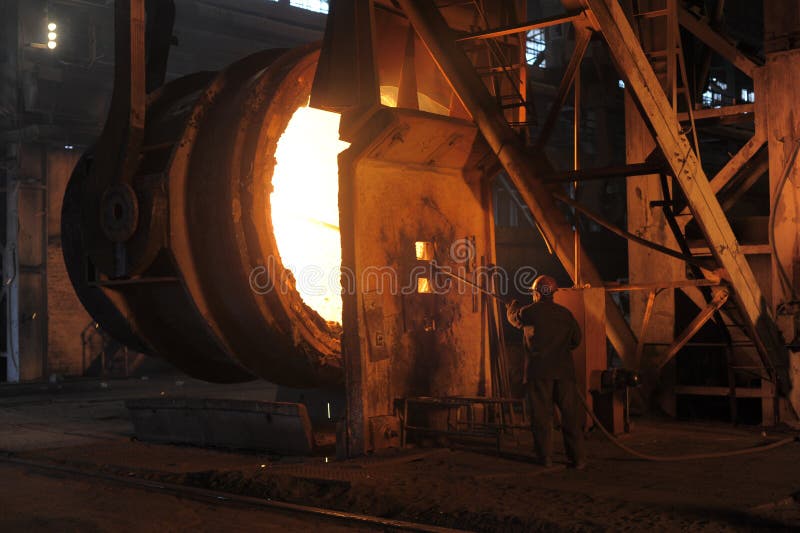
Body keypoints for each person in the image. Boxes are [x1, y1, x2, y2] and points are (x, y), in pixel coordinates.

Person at [506, 274, 586, 469]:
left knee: (542, 417)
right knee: (570, 417)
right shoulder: (565, 314)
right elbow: (576, 339)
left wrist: (511, 305)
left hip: (539, 373)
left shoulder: (529, 312)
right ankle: (577, 459)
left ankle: (545, 458)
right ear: (553, 293)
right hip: (564, 373)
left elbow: (514, 319)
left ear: (536, 293)